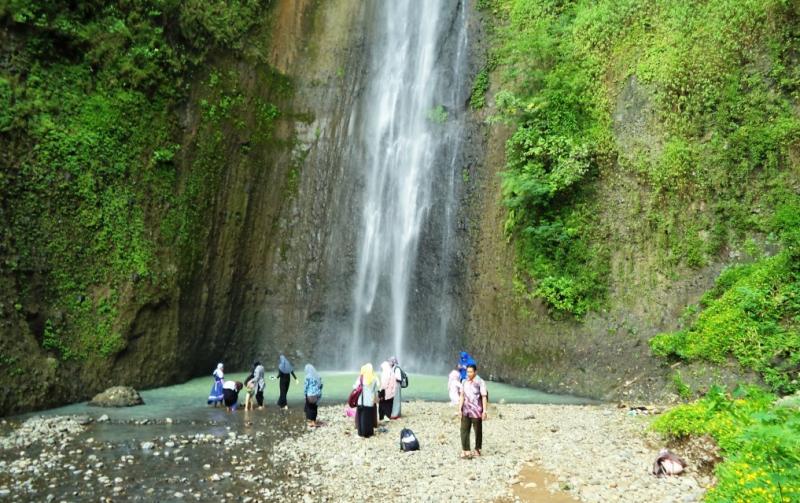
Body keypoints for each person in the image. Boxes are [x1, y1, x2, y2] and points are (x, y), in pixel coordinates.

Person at [458, 363, 487, 459]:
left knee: (477, 430)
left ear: (475, 372)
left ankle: (477, 449)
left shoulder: (480, 382)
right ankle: (465, 450)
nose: (469, 373)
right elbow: (462, 395)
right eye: (467, 371)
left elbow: (484, 397)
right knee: (464, 430)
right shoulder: (464, 381)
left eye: (471, 372)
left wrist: (484, 411)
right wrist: (459, 409)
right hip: (466, 409)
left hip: (476, 410)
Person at [354, 363, 379, 438]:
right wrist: (376, 399)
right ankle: (368, 433)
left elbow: (355, 387)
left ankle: (360, 432)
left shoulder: (360, 378)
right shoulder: (374, 379)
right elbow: (375, 390)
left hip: (360, 401)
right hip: (369, 401)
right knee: (368, 417)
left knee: (360, 416)